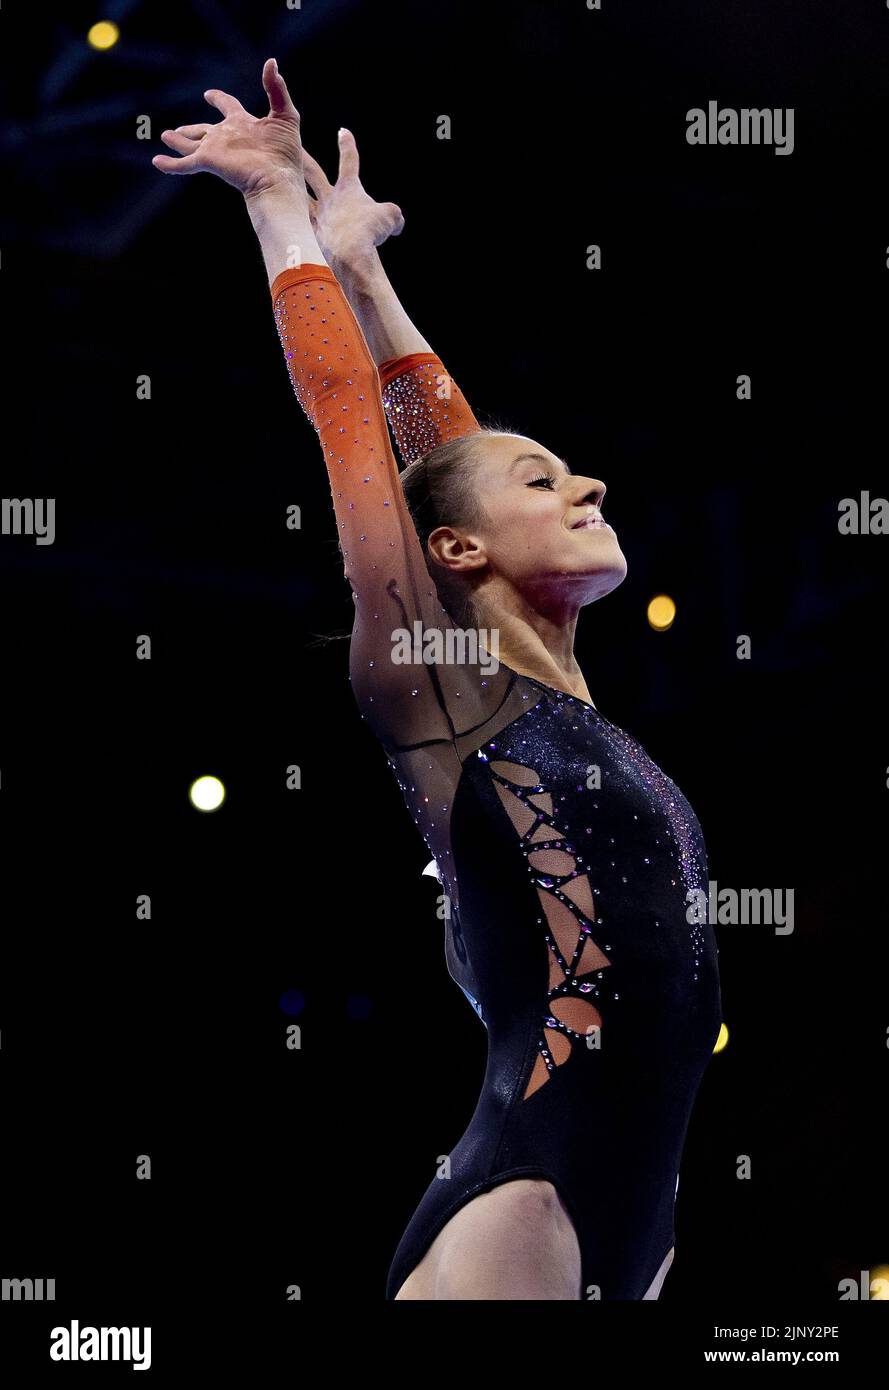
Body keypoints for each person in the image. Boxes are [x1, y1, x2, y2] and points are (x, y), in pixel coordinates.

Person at [153, 59, 723, 1301]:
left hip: (634, 1223)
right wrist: (276, 213)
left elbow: (451, 467)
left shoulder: (556, 709)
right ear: (460, 552)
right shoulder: (446, 690)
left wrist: (364, 267)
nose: (589, 487)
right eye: (546, 481)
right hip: (521, 1203)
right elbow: (361, 435)